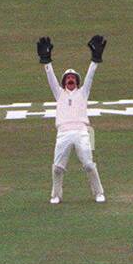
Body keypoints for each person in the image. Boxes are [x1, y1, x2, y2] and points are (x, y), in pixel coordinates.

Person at [37, 34, 106, 204]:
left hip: (83, 131)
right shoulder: (59, 94)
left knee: (89, 165)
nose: (70, 79)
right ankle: (56, 195)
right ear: (64, 82)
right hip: (63, 133)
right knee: (58, 168)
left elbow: (90, 78)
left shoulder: (83, 93)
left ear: (76, 81)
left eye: (73, 78)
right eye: (68, 78)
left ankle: (98, 193)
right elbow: (51, 79)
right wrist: (46, 62)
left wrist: (95, 60)